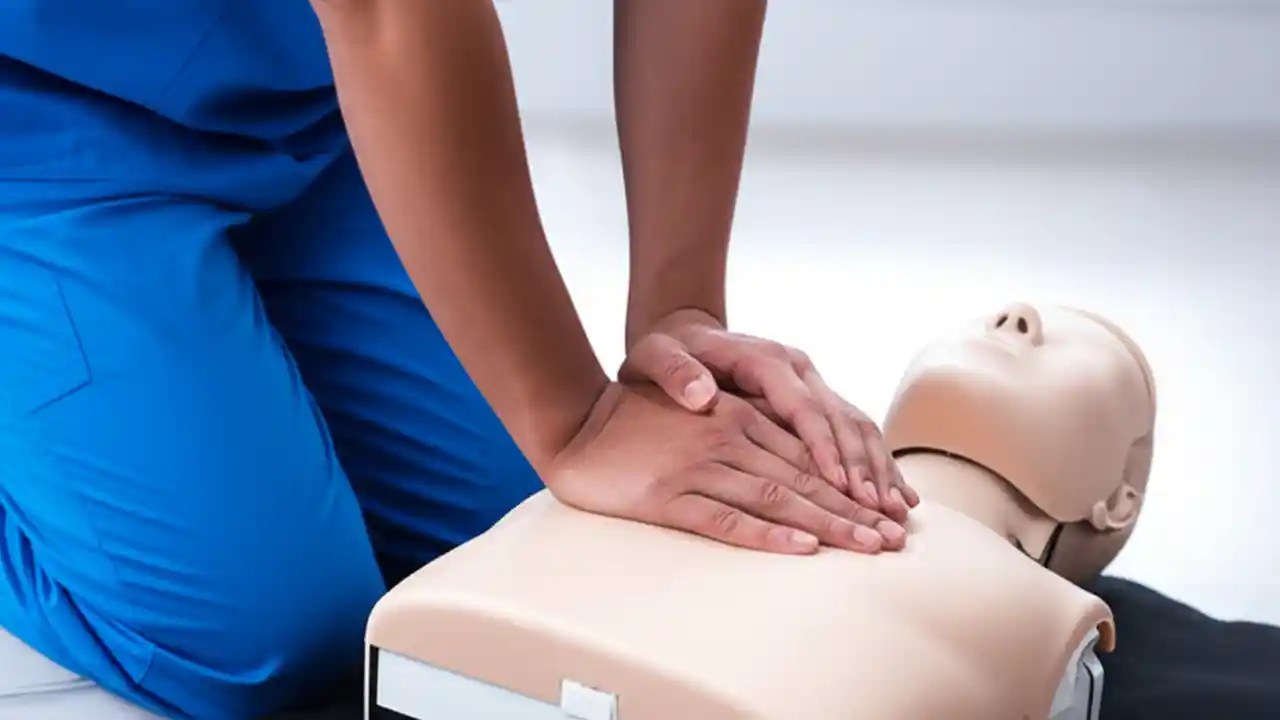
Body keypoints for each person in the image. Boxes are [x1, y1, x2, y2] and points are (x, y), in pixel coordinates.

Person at [0, 2, 916, 718]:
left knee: (497, 549)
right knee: (259, 636)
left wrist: (678, 311)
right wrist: (575, 421)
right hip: (32, 118)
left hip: (305, 107)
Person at [361, 302, 1154, 720]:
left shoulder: (1051, 618)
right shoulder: (664, 457)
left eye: (1081, 343)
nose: (1017, 316)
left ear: (1116, 504)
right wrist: (598, 412)